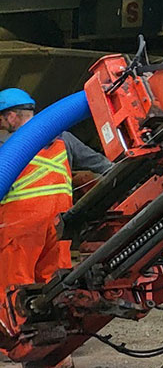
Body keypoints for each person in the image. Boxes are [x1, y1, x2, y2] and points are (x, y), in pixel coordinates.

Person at [0, 88, 111, 291]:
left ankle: (15, 323)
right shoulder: (64, 139)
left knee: (15, 287)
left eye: (2, 120)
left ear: (11, 116)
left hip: (20, 227)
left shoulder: (6, 146)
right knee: (55, 285)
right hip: (60, 225)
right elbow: (102, 164)